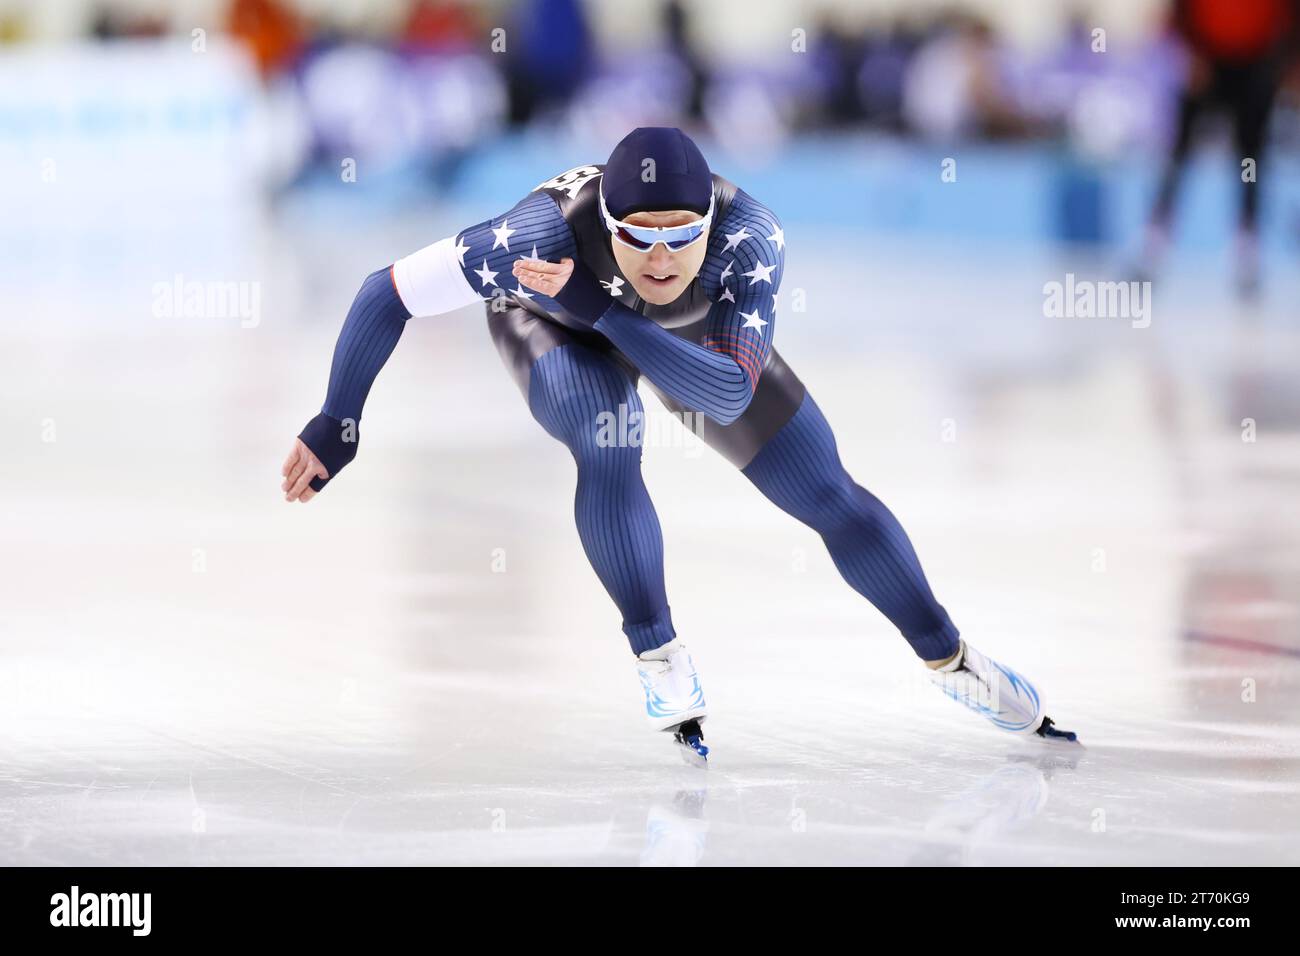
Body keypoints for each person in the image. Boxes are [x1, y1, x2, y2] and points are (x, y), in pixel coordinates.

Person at [281, 127, 1077, 762]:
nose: (661, 258)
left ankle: (951, 656)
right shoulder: (533, 238)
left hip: (667, 332)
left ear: (709, 223)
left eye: (679, 236)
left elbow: (725, 391)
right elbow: (383, 293)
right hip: (556, 323)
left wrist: (610, 305)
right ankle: (657, 650)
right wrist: (336, 421)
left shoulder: (749, 239)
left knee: (825, 491)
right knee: (608, 442)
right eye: (638, 236)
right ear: (606, 223)